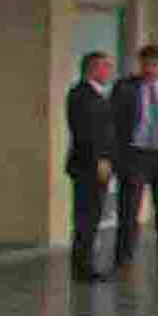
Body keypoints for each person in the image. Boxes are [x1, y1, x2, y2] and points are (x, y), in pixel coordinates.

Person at [109, 43, 158, 278]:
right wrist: (117, 155)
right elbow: (114, 123)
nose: (150, 69)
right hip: (136, 153)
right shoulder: (125, 88)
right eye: (145, 64)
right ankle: (123, 259)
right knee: (129, 209)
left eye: (155, 65)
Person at [62, 49, 115, 281]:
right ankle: (82, 266)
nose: (108, 71)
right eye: (104, 66)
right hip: (88, 165)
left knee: (92, 216)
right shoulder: (82, 95)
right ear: (92, 69)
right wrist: (99, 160)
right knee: (86, 216)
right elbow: (87, 132)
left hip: (96, 163)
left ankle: (85, 262)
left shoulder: (99, 95)